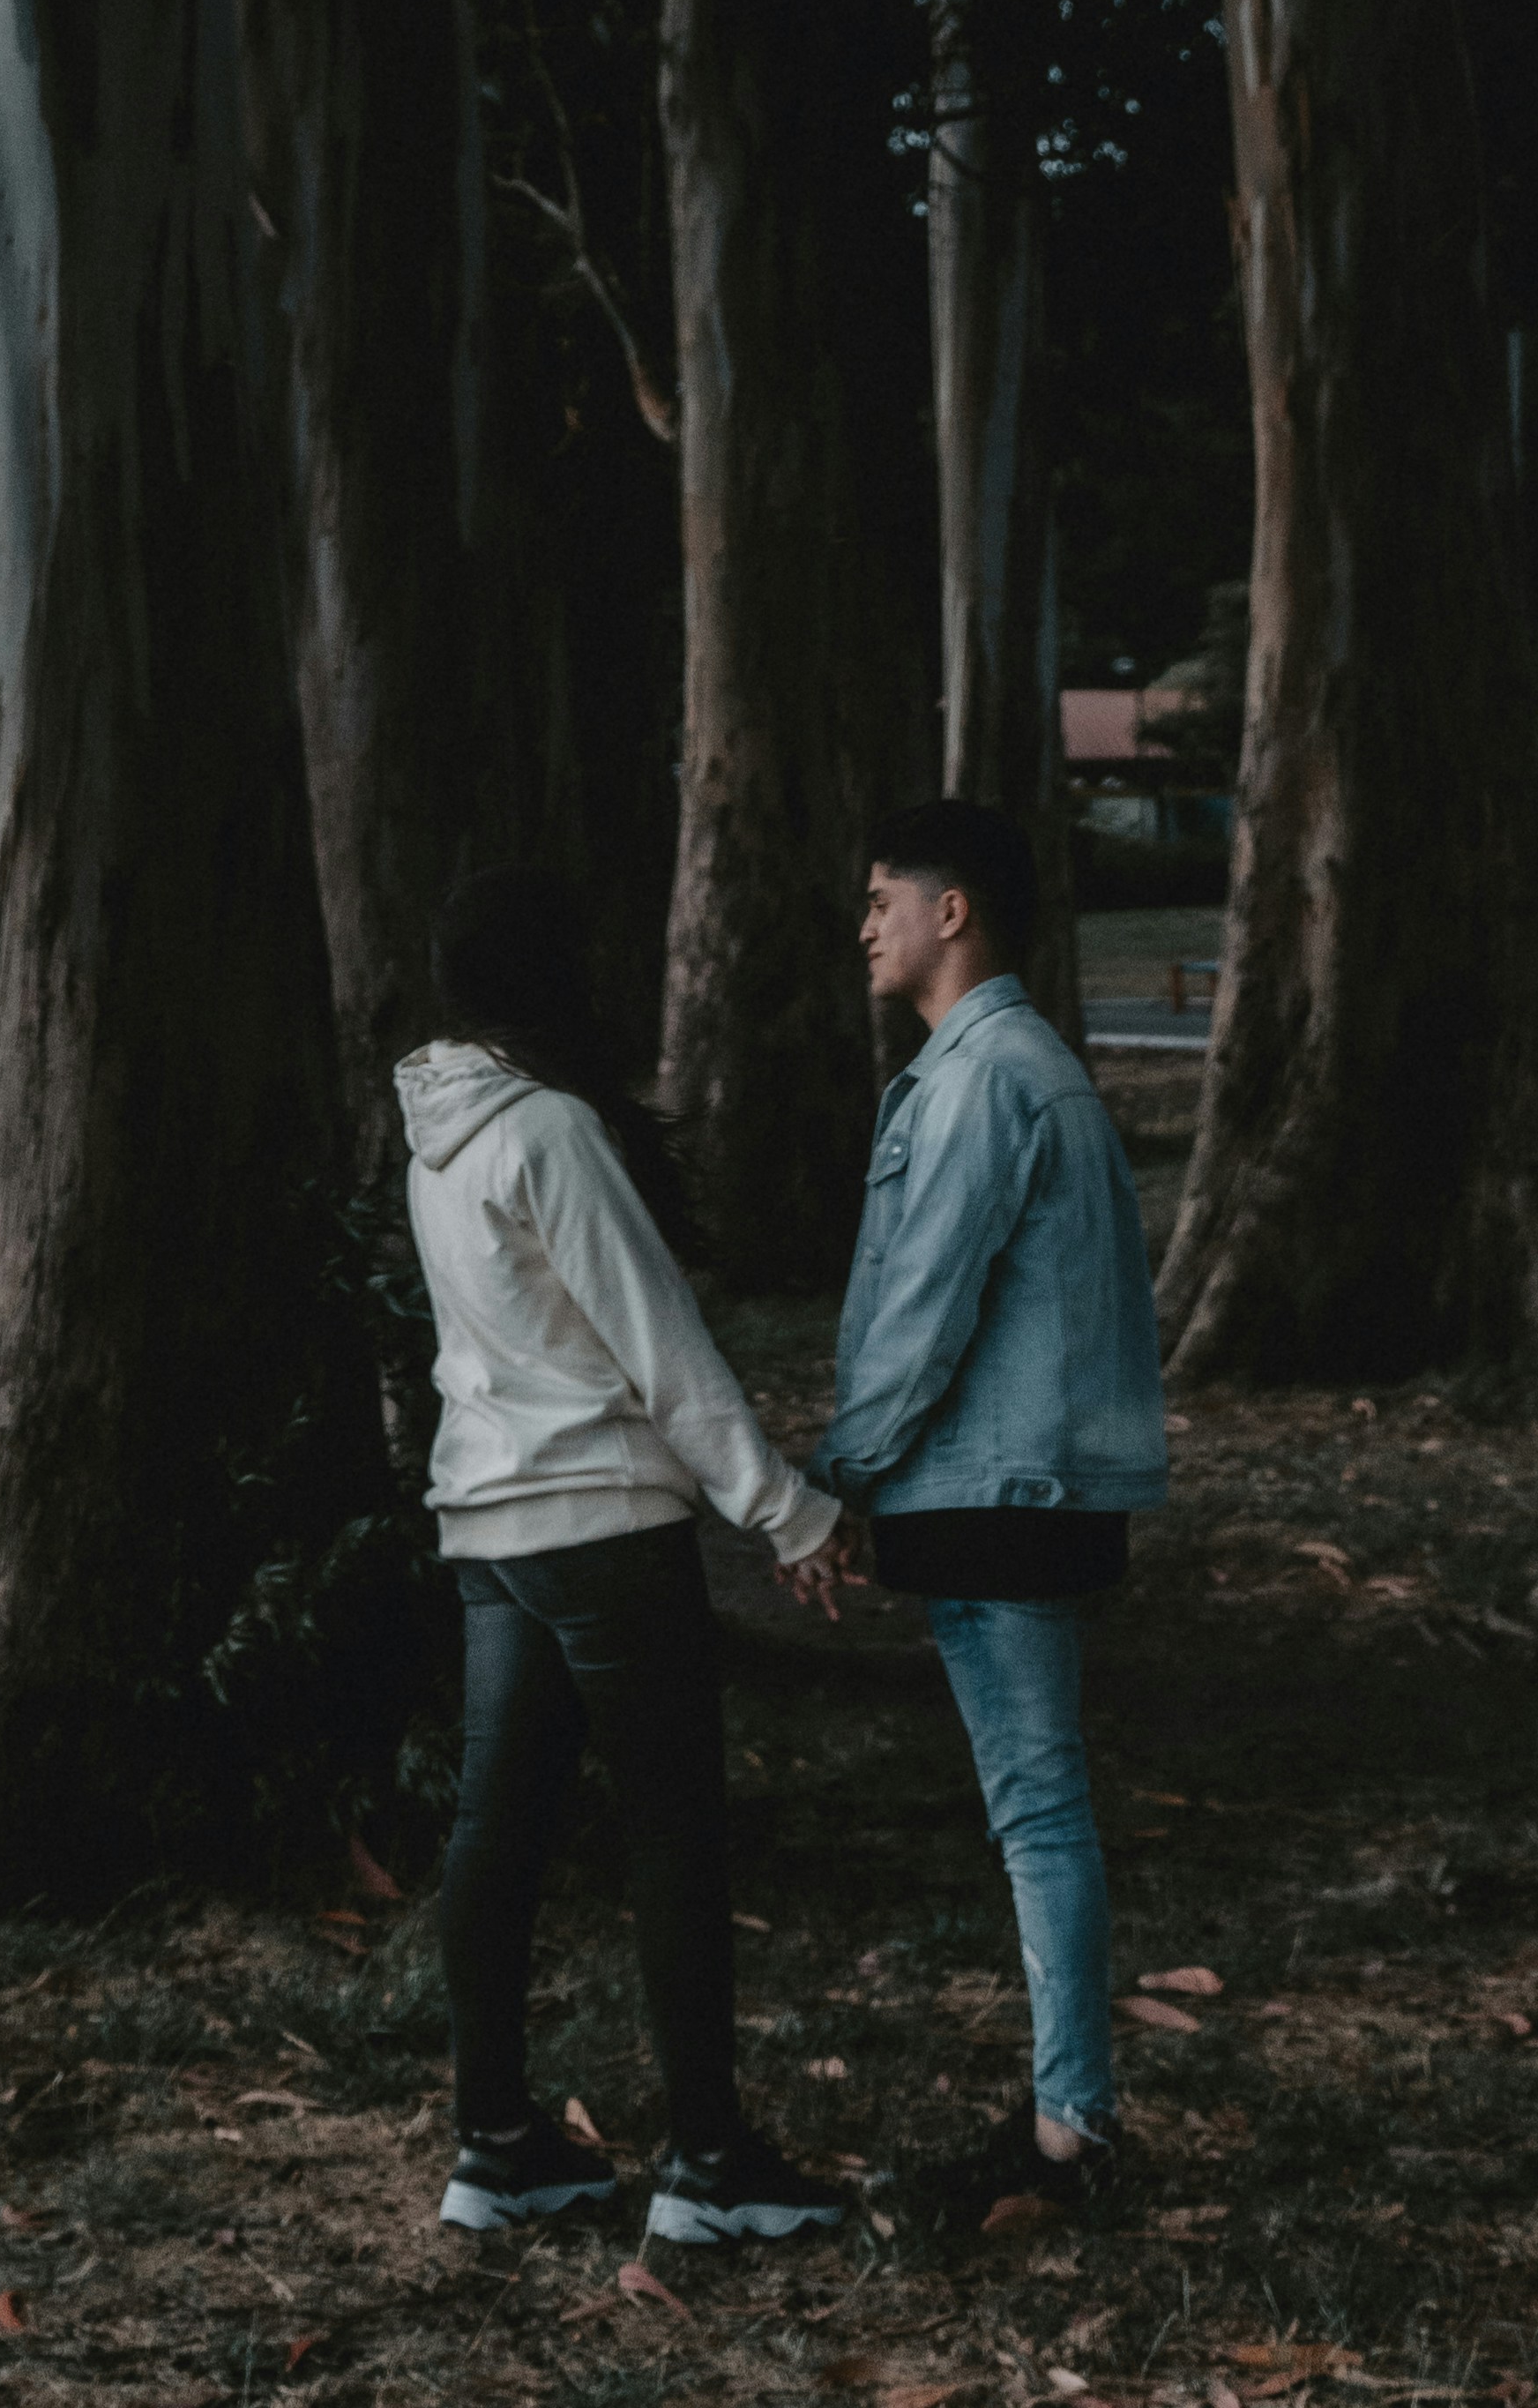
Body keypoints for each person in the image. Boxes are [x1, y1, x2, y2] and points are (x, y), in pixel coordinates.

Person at [395, 866, 869, 2259]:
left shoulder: (438, 1134)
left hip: (493, 1528)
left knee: (497, 1829)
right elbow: (662, 1347)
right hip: (598, 1526)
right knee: (673, 1831)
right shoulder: (546, 1129)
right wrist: (789, 1512)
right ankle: (711, 2164)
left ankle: (496, 2144)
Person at [818, 791, 1171, 2241]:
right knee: (1040, 1808)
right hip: (1020, 1486)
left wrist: (837, 1476)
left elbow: (923, 1307)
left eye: (882, 900)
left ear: (949, 912)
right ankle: (1066, 2116)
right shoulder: (1023, 1069)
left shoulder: (983, 1081)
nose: (865, 928)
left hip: (998, 1492)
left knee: (1038, 1812)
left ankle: (1071, 2133)